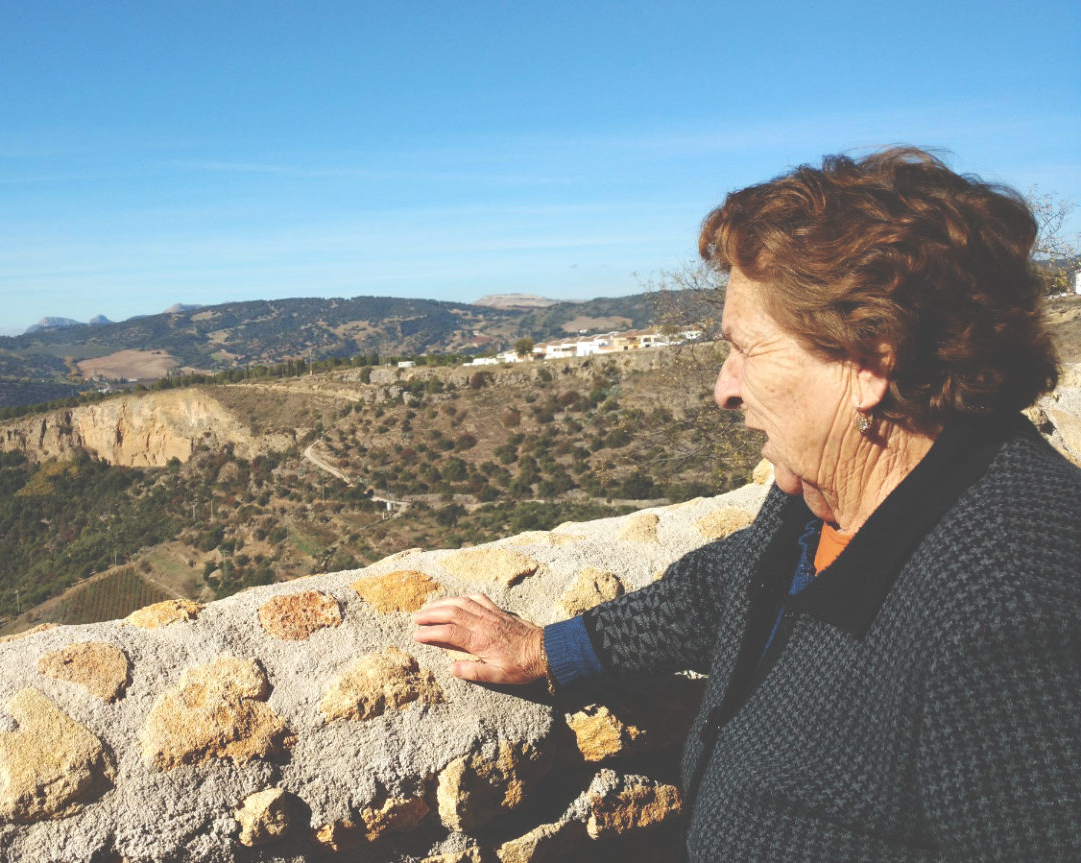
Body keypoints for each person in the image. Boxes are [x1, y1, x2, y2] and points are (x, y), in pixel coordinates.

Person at [413, 147, 1081, 861]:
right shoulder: (826, 499)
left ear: (871, 360)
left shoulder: (1009, 615)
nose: (723, 388)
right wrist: (554, 650)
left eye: (746, 350)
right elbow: (727, 588)